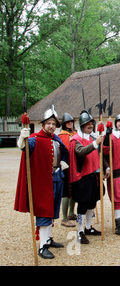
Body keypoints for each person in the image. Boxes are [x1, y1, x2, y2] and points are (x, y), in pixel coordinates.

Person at [15, 105, 68, 259]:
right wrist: (22, 138)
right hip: (44, 180)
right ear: (43, 125)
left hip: (58, 178)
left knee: (52, 211)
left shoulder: (56, 139)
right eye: (48, 124)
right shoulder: (35, 139)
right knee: (44, 211)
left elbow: (64, 152)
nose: (51, 126)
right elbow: (24, 148)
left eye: (53, 124)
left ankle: (48, 239)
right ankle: (42, 246)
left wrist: (64, 163)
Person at [69, 110, 106, 244]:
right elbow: (81, 152)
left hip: (95, 175)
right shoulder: (76, 139)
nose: (90, 126)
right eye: (87, 124)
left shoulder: (94, 137)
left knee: (92, 202)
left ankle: (88, 227)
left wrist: (106, 167)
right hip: (83, 177)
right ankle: (79, 231)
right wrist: (95, 143)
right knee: (83, 204)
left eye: (91, 124)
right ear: (82, 126)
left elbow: (100, 155)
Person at [58, 113, 77, 227]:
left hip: (74, 166)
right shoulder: (62, 136)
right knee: (66, 192)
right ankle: (64, 218)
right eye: (68, 122)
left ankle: (71, 213)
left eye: (71, 122)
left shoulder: (74, 133)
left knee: (73, 190)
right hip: (66, 166)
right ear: (64, 124)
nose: (70, 124)